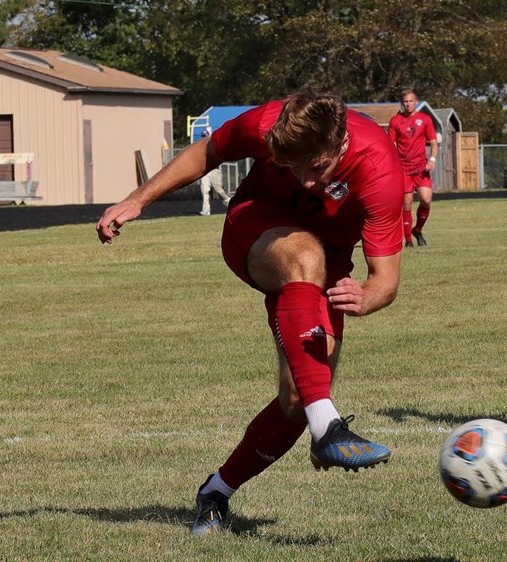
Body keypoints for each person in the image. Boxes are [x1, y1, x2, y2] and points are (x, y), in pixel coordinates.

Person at [96, 91, 405, 534]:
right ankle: (330, 425)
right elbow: (207, 151)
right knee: (304, 259)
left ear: (340, 146)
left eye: (315, 168)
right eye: (291, 165)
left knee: (298, 399)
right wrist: (138, 199)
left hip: (330, 263)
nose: (304, 180)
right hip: (256, 225)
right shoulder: (265, 124)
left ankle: (216, 491)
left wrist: (366, 298)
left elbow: (386, 281)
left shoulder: (381, 170)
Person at [388, 89, 438, 247]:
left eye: (410, 101)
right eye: (405, 102)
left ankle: (418, 229)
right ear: (402, 103)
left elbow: (433, 142)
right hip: (403, 168)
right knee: (407, 203)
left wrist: (432, 159)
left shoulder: (425, 119)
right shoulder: (395, 120)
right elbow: (390, 144)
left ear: (416, 101)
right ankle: (408, 240)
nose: (408, 104)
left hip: (421, 167)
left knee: (426, 199)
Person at [197, 127, 231, 216]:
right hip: (205, 171)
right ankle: (206, 209)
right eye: (203, 136)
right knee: (204, 190)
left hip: (213, 170)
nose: (204, 138)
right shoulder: (200, 147)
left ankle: (229, 202)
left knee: (219, 190)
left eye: (205, 136)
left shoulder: (212, 145)